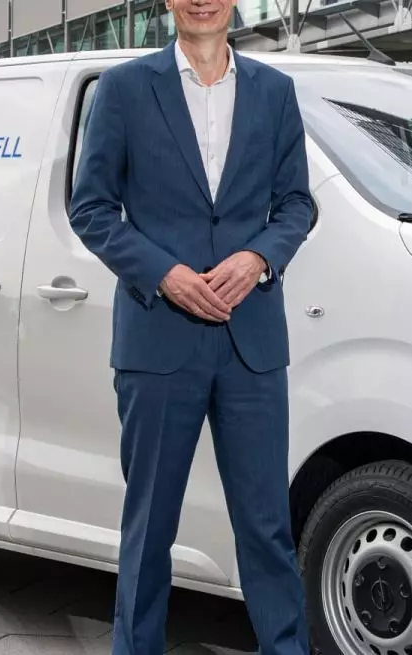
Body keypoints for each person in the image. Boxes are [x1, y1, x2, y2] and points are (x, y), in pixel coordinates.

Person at [65, 0, 315, 651]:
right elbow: (89, 207)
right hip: (158, 334)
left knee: (266, 526)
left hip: (250, 341)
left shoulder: (276, 92)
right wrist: (164, 274)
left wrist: (258, 256)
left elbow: (296, 204)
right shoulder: (123, 89)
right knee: (149, 526)